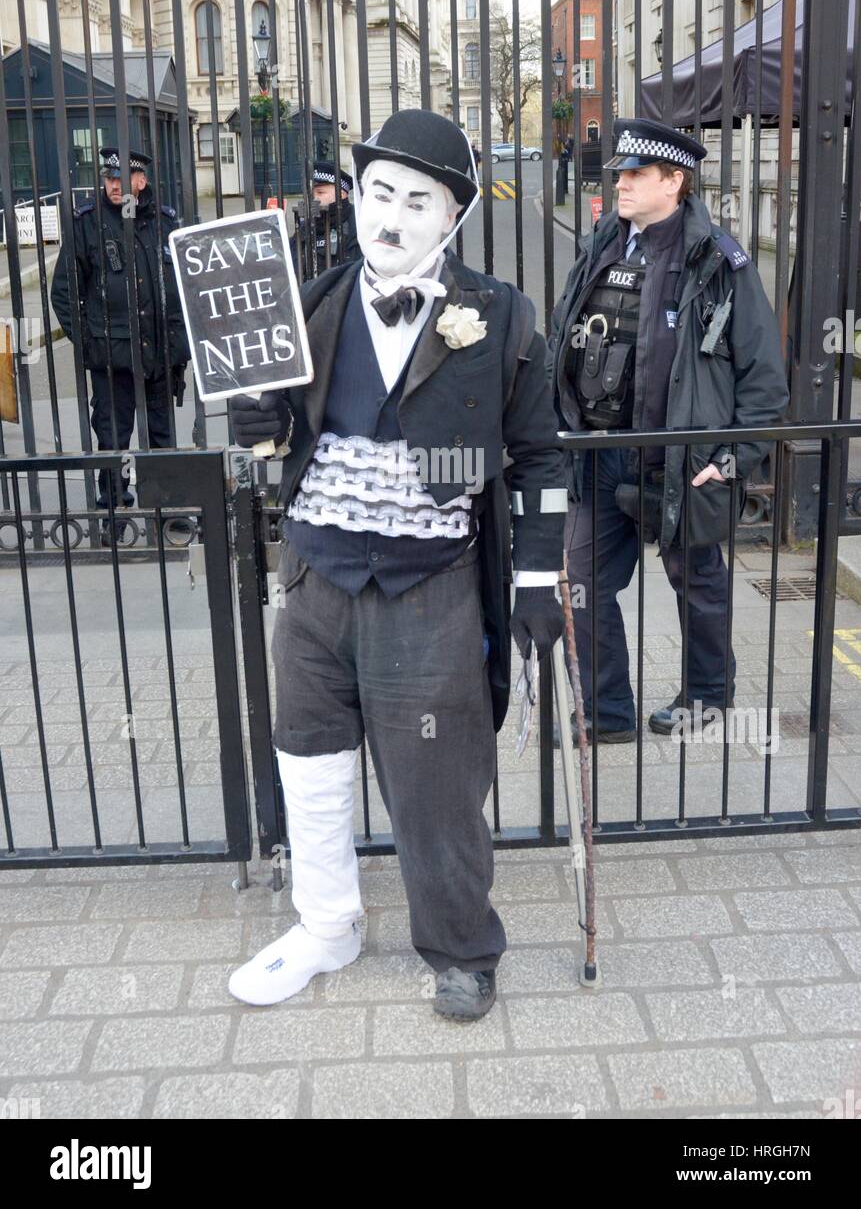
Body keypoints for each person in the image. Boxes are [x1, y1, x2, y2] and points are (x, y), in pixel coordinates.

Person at [227, 109, 566, 1020]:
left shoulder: (499, 316)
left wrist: (536, 574)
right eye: (379, 192)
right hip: (313, 584)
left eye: (418, 200)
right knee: (309, 760)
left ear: (451, 215)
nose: (391, 215)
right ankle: (325, 925)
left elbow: (537, 456)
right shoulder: (310, 299)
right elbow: (262, 438)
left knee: (437, 780)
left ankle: (460, 946)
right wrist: (253, 431)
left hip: (429, 588)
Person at [548, 117, 789, 741]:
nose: (620, 184)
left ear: (673, 180)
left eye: (634, 174)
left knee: (698, 583)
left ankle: (708, 699)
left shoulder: (719, 261)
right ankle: (605, 712)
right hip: (601, 455)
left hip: (683, 460)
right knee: (582, 583)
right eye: (619, 174)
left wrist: (732, 458)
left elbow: (764, 378)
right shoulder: (603, 242)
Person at [51, 147, 190, 537]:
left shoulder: (165, 221)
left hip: (160, 352)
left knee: (162, 434)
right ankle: (113, 510)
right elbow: (64, 291)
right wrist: (89, 343)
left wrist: (180, 343)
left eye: (123, 179)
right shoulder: (87, 223)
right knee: (114, 437)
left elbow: (185, 284)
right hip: (112, 355)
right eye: (109, 179)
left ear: (141, 181)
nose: (114, 185)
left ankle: (170, 507)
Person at [290, 159, 361, 278]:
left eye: (320, 192)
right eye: (311, 194)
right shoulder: (303, 228)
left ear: (342, 194)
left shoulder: (359, 224)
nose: (314, 199)